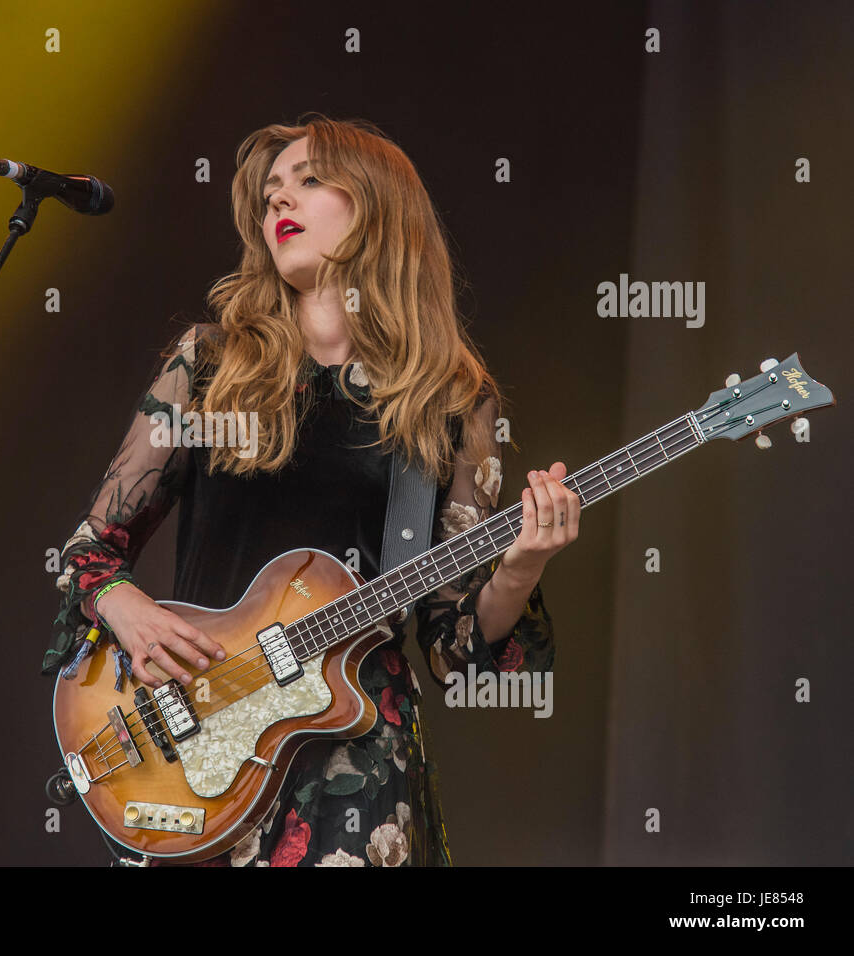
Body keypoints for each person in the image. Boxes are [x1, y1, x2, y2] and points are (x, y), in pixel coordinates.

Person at [41, 112, 579, 866]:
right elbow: (92, 549)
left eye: (309, 181)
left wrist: (523, 566)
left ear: (378, 209)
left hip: (352, 779)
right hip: (194, 749)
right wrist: (125, 606)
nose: (278, 204)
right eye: (268, 196)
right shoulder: (208, 364)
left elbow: (457, 650)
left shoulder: (450, 402)